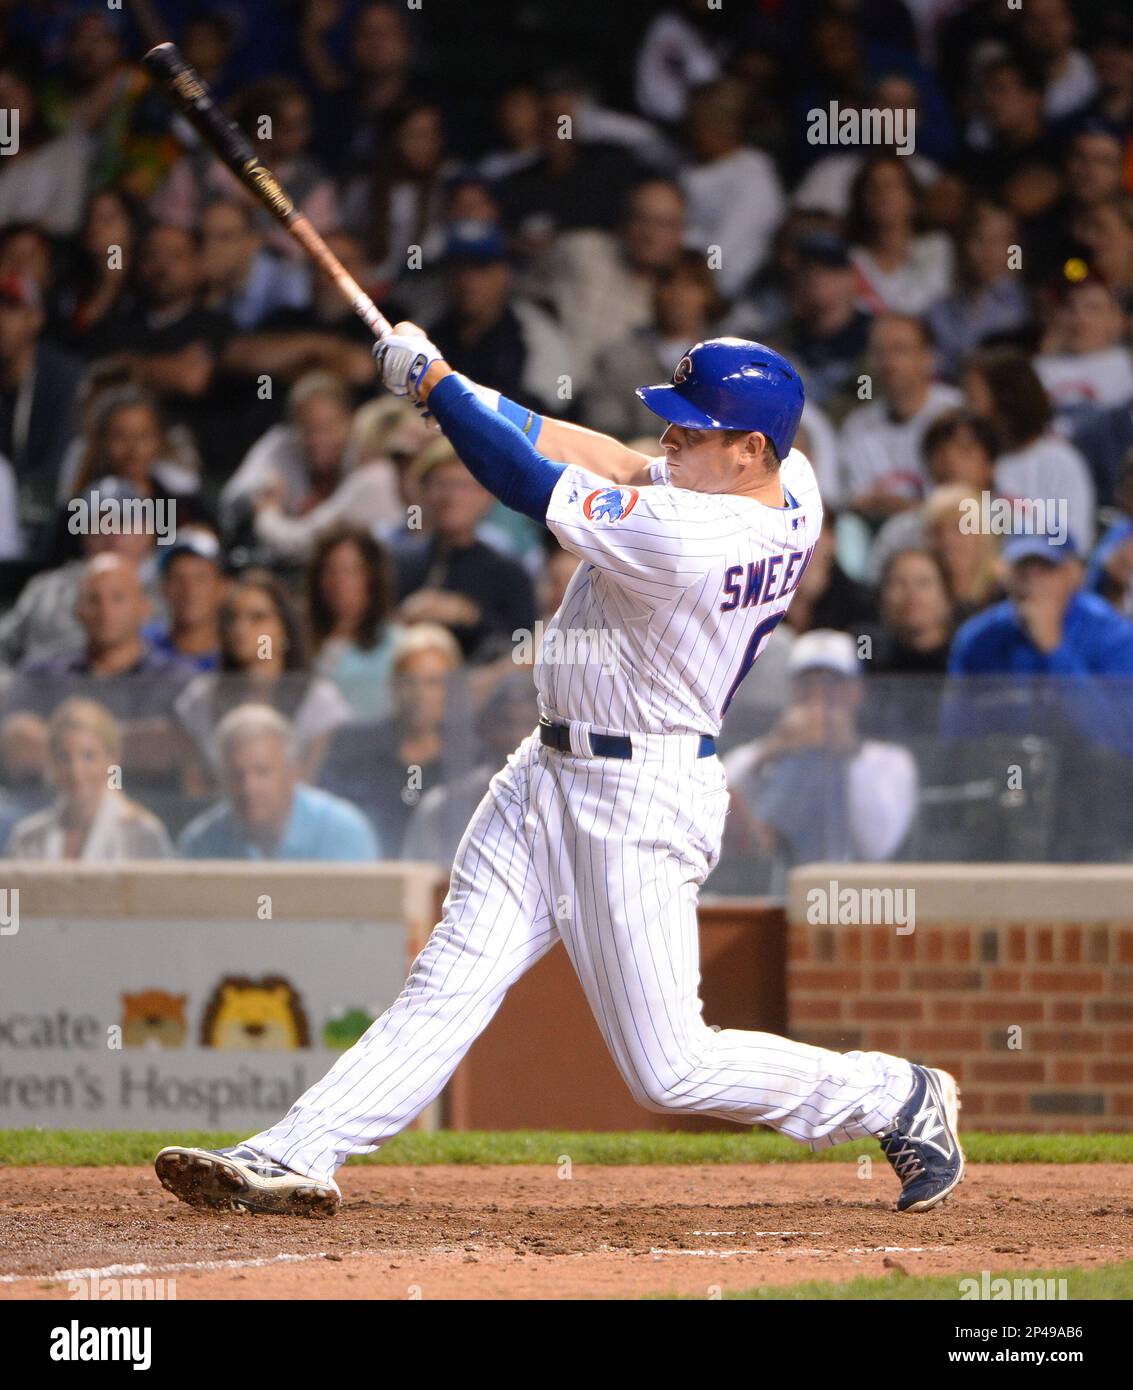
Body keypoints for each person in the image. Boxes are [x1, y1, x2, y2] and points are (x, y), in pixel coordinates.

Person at [156, 331, 965, 1219]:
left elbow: (525, 482)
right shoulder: (788, 481)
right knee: (449, 977)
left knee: (670, 1066)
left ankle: (895, 1095)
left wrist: (435, 389)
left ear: (749, 452)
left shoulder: (696, 537)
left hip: (638, 797)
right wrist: (454, 387)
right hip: (544, 770)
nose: (669, 440)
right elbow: (606, 456)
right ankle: (295, 1152)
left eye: (691, 431)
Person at [723, 629, 918, 871]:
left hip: (854, 894)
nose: (818, 695)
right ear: (791, 690)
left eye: (832, 684)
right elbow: (717, 803)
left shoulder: (889, 761)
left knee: (814, 762)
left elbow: (877, 846)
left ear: (855, 691)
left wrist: (846, 752)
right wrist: (771, 750)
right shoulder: (759, 752)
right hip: (768, 886)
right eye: (807, 684)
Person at [174, 569, 352, 788]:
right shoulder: (200, 699)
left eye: (257, 618)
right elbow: (194, 787)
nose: (241, 628)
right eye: (233, 618)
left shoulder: (319, 701)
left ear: (284, 629)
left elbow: (312, 783)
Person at [317, 621, 461, 854]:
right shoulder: (352, 744)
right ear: (393, 685)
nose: (420, 694)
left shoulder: (470, 756)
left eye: (433, 683)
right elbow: (328, 816)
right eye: (409, 682)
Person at [178, 704, 378, 861]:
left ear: (292, 772)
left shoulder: (342, 832)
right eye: (237, 775)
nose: (249, 788)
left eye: (262, 772)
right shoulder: (200, 842)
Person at [962, 348, 1095, 552]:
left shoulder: (1059, 460)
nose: (966, 410)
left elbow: (1076, 541)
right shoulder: (969, 462)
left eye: (973, 398)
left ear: (1005, 399)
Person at [5, 697, 172, 860]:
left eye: (88, 756)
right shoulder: (27, 837)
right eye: (64, 757)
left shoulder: (142, 833)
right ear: (51, 762)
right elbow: (10, 889)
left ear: (111, 759)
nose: (75, 771)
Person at [838, 315, 963, 518]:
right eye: (879, 352)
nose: (889, 362)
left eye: (900, 350)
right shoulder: (857, 426)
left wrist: (909, 508)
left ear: (928, 358)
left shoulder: (956, 414)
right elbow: (853, 499)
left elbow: (967, 495)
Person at [307, 523, 402, 720]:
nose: (340, 582)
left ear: (372, 577)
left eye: (352, 571)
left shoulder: (398, 644)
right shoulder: (300, 637)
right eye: (330, 570)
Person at [143, 528, 227, 672]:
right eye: (178, 579)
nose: (189, 590)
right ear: (163, 587)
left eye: (200, 578)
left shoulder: (239, 651)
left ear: (222, 587)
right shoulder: (142, 645)